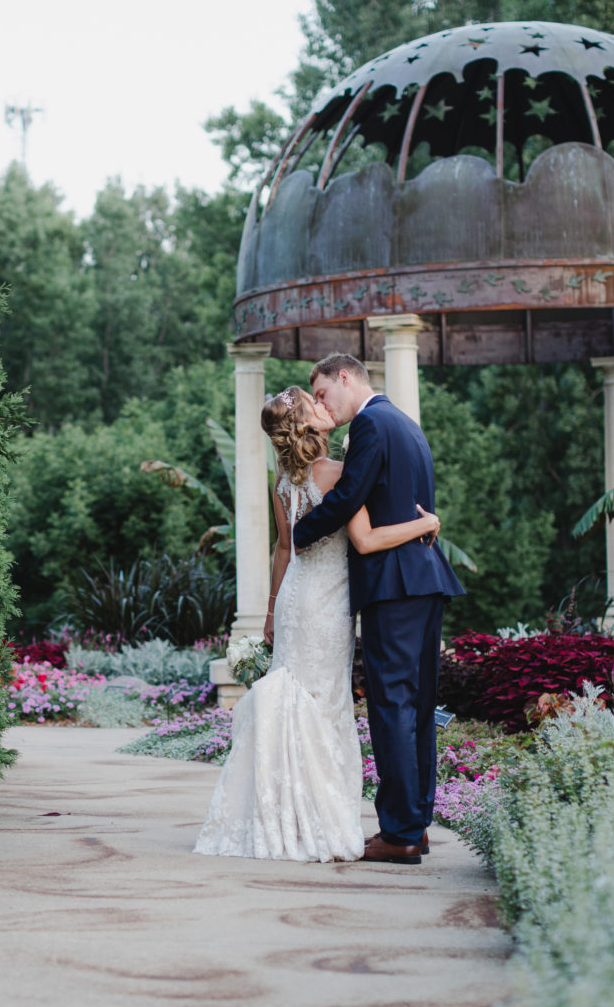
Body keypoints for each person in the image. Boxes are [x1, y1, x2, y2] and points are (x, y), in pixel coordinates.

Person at [193, 384, 441, 862]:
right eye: (315, 403)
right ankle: (318, 818)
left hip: (292, 602)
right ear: (306, 423)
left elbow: (284, 549)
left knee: (293, 696)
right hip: (326, 606)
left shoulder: (283, 482)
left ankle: (281, 811)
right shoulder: (336, 475)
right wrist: (425, 523)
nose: (324, 406)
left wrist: (270, 611)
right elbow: (366, 540)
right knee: (323, 708)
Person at [291, 354, 465, 866]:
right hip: (424, 578)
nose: (322, 405)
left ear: (345, 377)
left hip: (393, 584)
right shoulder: (406, 424)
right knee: (417, 705)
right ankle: (416, 822)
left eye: (322, 393)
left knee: (391, 706)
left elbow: (347, 496)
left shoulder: (369, 423)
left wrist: (298, 532)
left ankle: (399, 833)